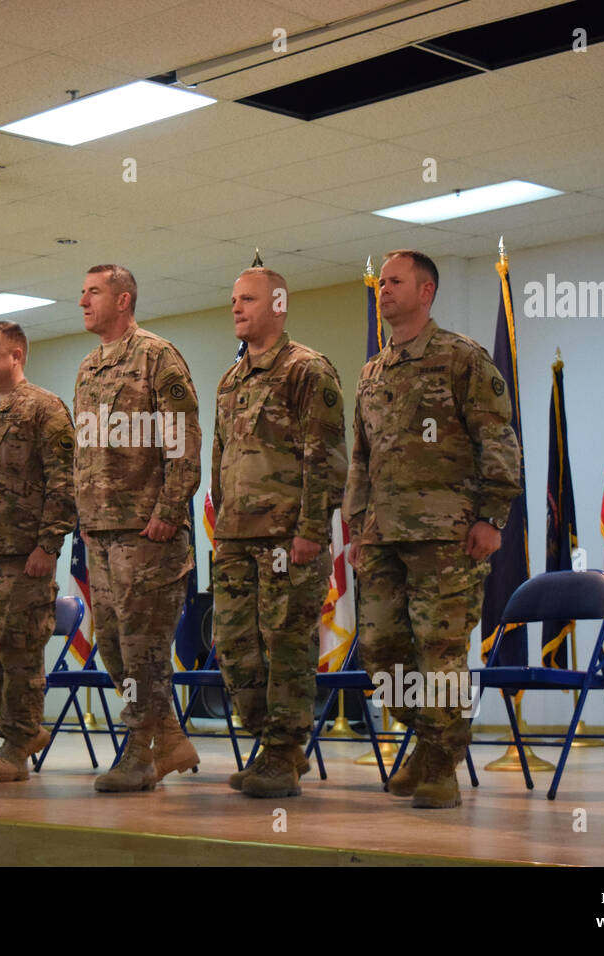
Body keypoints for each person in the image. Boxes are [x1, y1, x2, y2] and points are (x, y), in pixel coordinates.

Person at [345, 250, 521, 809]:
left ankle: (442, 761)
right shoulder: (373, 371)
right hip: (381, 537)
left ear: (426, 292)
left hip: (448, 538)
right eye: (383, 283)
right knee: (380, 649)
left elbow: (498, 439)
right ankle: (426, 737)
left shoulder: (461, 359)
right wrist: (355, 527)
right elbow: (360, 457)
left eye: (396, 282)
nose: (384, 290)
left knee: (440, 652)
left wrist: (493, 517)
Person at [211, 268, 348, 798]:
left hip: (288, 538)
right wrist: (221, 527)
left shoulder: (307, 370)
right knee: (235, 648)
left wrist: (312, 529)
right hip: (236, 538)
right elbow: (220, 458)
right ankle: (271, 743)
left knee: (286, 644)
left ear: (279, 304)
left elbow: (326, 457)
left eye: (247, 299)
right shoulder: (231, 379)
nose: (237, 308)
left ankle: (286, 751)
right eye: (233, 299)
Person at [74, 264, 202, 792]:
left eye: (94, 292)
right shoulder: (87, 368)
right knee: (113, 649)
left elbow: (183, 440)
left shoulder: (157, 356)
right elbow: (86, 450)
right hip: (101, 534)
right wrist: (83, 519)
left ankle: (141, 754)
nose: (82, 300)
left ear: (123, 300)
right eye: (81, 292)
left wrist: (169, 513)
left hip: (148, 534)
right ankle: (170, 738)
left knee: (144, 650)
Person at [0, 321, 77, 782]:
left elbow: (64, 482)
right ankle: (22, 730)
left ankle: (16, 748)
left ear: (17, 355)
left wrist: (49, 544)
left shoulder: (45, 410)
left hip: (24, 556)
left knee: (21, 654)